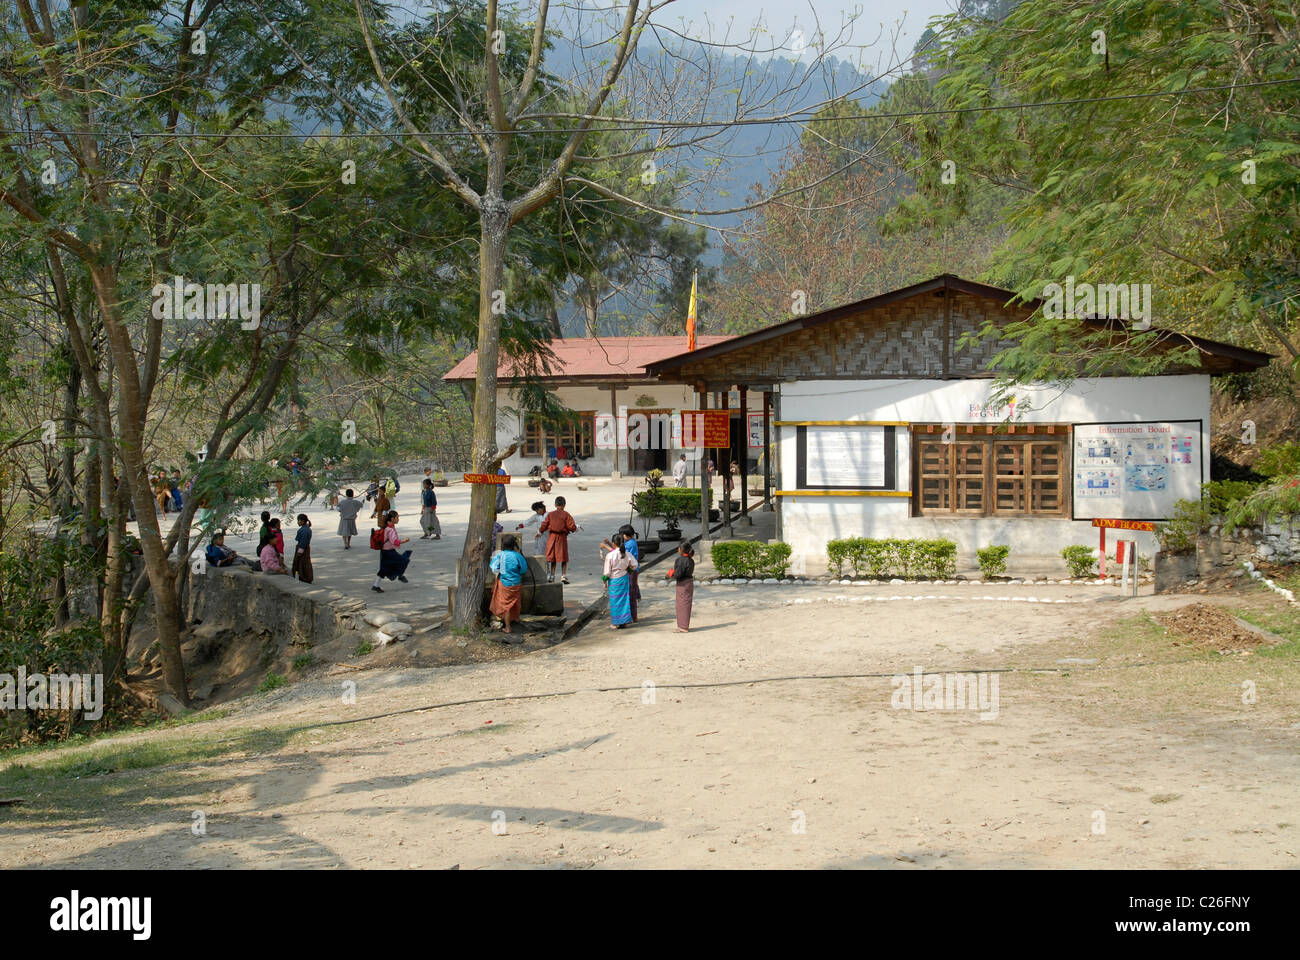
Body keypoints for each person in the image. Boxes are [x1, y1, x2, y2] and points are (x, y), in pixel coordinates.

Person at [599, 524, 641, 622]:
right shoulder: (630, 542)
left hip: (629, 572)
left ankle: (631, 617)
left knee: (629, 594)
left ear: (626, 535)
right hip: (630, 570)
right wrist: (610, 544)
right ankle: (631, 616)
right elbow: (618, 550)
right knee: (630, 593)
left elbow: (619, 554)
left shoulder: (630, 544)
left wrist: (606, 546)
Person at [489, 535, 528, 634]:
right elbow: (523, 569)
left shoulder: (500, 555)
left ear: (503, 545)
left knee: (506, 606)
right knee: (515, 602)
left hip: (505, 584)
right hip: (516, 583)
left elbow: (493, 568)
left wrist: (502, 570)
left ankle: (508, 628)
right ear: (514, 545)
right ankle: (516, 619)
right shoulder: (518, 556)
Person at [539, 496, 577, 583]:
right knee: (563, 557)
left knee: (553, 558)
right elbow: (571, 526)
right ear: (564, 505)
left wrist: (540, 531)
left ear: (555, 505)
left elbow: (544, 525)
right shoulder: (566, 514)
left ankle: (552, 576)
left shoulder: (550, 514)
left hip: (552, 537)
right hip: (562, 538)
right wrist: (575, 528)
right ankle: (563, 576)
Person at [372, 510, 411, 593]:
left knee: (383, 569)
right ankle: (400, 575)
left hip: (384, 551)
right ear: (392, 518)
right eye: (397, 517)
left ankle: (376, 585)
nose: (398, 519)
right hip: (389, 552)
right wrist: (404, 541)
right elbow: (394, 541)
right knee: (404, 560)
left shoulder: (387, 527)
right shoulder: (390, 529)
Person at [665, 542, 695, 632]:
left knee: (681, 604)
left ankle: (682, 626)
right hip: (689, 582)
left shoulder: (680, 560)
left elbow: (679, 574)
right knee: (687, 603)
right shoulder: (691, 560)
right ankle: (685, 625)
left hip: (682, 584)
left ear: (681, 550)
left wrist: (670, 574)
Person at [292, 514, 314, 583]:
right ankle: (304, 577)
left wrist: (299, 552)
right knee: (304, 563)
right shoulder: (307, 529)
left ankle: (305, 577)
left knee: (302, 563)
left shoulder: (304, 531)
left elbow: (303, 543)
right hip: (305, 548)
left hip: (302, 549)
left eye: (298, 521)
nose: (298, 522)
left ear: (302, 521)